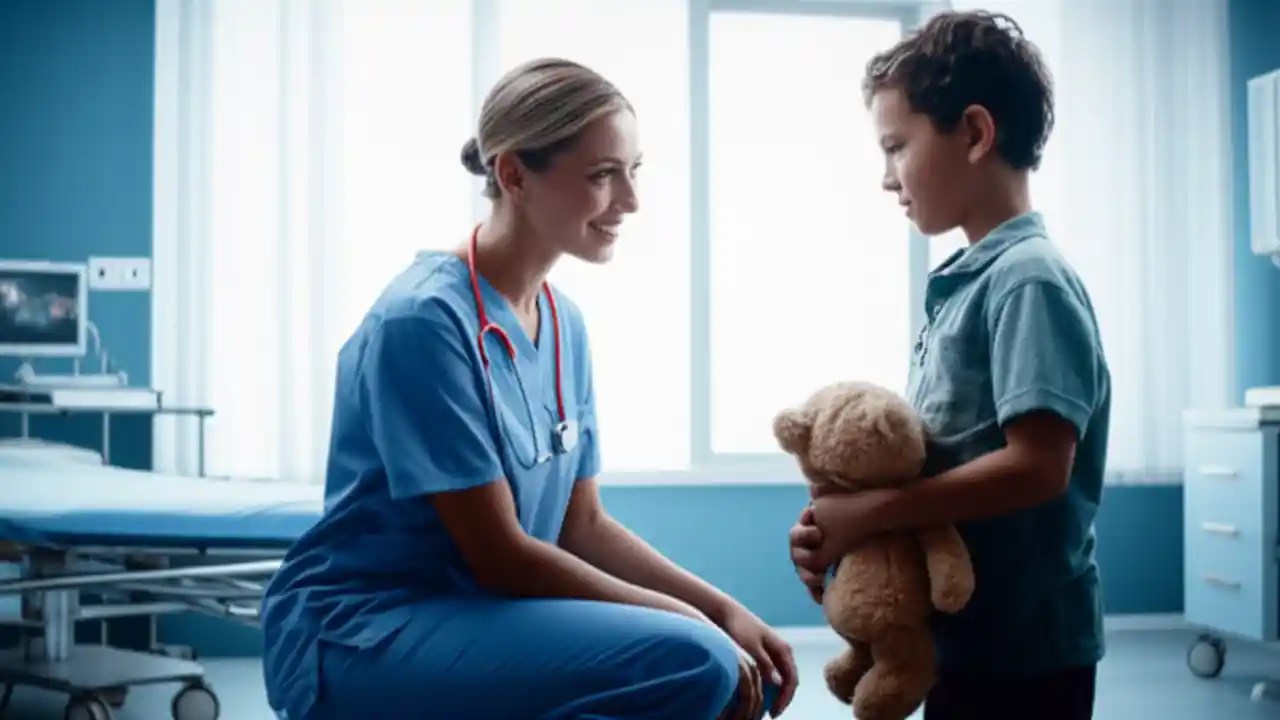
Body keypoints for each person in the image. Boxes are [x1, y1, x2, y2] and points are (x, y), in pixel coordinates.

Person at [259, 57, 797, 720]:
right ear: (514, 174)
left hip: (479, 616)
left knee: (745, 666)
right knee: (696, 661)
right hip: (365, 630)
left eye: (633, 171)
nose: (630, 201)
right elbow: (502, 557)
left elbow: (583, 525)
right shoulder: (423, 322)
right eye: (603, 175)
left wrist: (724, 608)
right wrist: (699, 626)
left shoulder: (562, 321)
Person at [789, 11, 1111, 720]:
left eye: (896, 147)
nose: (885, 178)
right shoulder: (968, 282)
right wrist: (847, 525)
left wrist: (875, 510)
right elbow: (940, 463)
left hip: (1025, 655)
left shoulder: (1029, 280)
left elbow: (1038, 465)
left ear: (973, 133)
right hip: (961, 645)